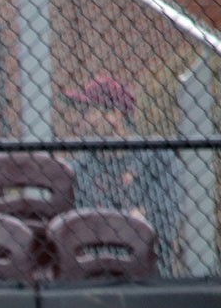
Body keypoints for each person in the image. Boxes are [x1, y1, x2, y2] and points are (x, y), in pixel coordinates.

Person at [60, 74, 185, 273]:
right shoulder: (78, 167)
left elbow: (164, 222)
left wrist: (102, 227)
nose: (81, 119)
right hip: (93, 272)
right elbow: (74, 231)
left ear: (115, 115)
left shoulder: (159, 159)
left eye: (88, 110)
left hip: (148, 271)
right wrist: (132, 218)